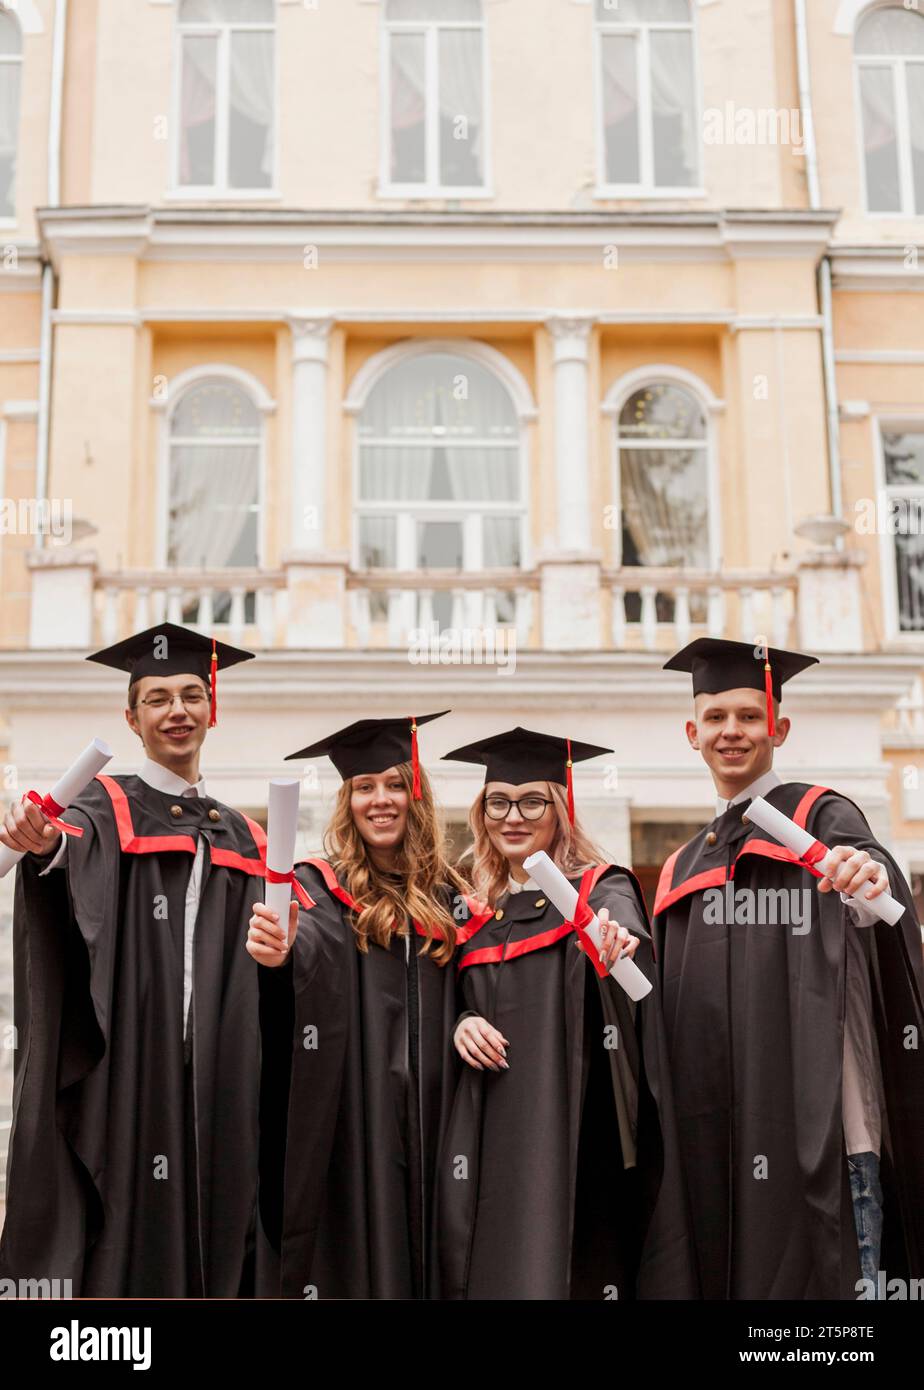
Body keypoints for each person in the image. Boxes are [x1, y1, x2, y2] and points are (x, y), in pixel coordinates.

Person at [0, 623, 268, 1297]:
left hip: (217, 1070)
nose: (176, 711)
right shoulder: (105, 802)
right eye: (157, 699)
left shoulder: (242, 831)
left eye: (190, 695)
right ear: (132, 716)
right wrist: (39, 842)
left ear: (212, 708)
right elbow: (66, 846)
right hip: (130, 1064)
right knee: (124, 1223)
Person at [654, 637, 924, 1299]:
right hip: (722, 1162)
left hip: (830, 1151)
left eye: (750, 716)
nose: (733, 731)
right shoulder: (682, 866)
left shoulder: (821, 816)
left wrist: (866, 877)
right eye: (716, 718)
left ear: (778, 728)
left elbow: (875, 889)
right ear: (693, 733)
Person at [433, 726, 698, 1300]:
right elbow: (446, 1001)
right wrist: (460, 1022)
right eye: (499, 802)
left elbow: (622, 937)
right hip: (484, 1134)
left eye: (533, 801)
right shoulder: (471, 912)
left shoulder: (599, 888)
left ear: (559, 810)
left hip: (571, 1131)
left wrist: (616, 943)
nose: (514, 816)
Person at [248, 712, 487, 1299]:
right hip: (358, 1127)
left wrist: (467, 1016)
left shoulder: (454, 899)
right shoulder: (319, 889)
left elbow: (479, 992)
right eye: (364, 787)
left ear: (416, 796)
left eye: (395, 784)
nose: (381, 800)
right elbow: (304, 958)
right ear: (347, 801)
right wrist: (279, 959)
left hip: (441, 1128)